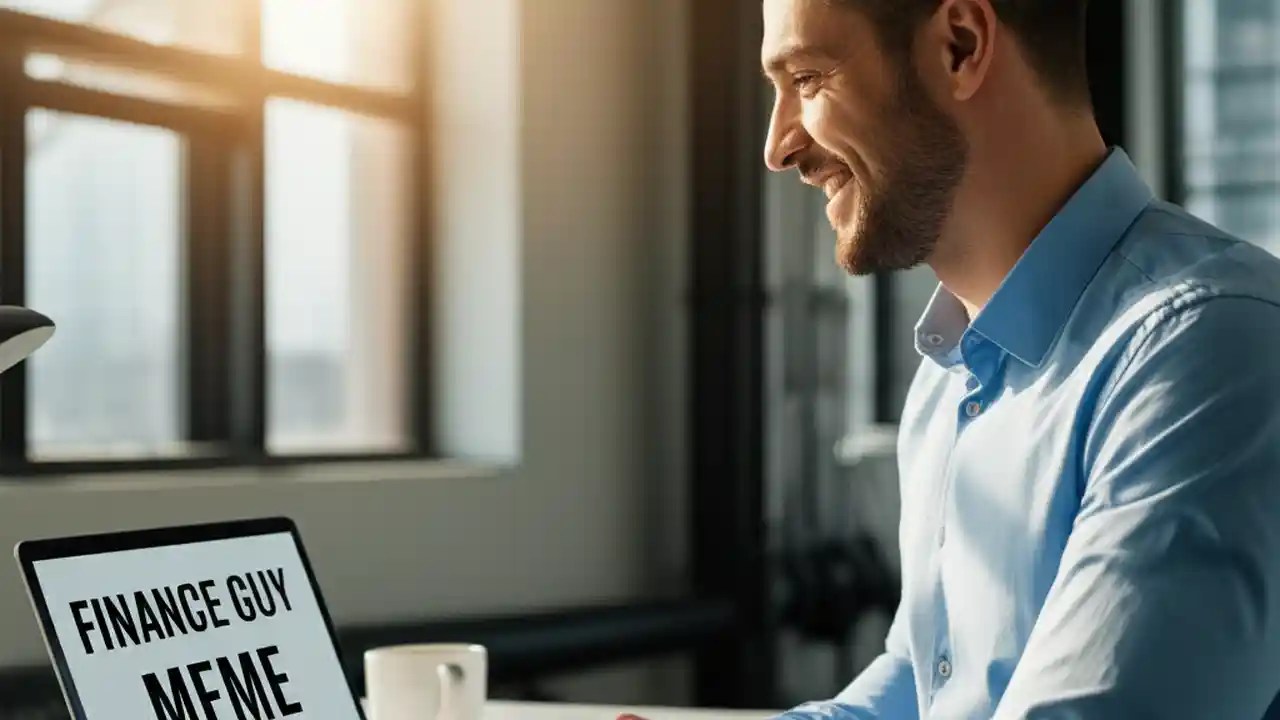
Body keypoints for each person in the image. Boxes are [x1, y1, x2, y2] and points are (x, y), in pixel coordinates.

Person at [628, 0, 1280, 717]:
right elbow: (923, 682)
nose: (777, 148)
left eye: (808, 79)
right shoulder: (948, 382)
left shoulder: (1212, 349)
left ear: (960, 47)